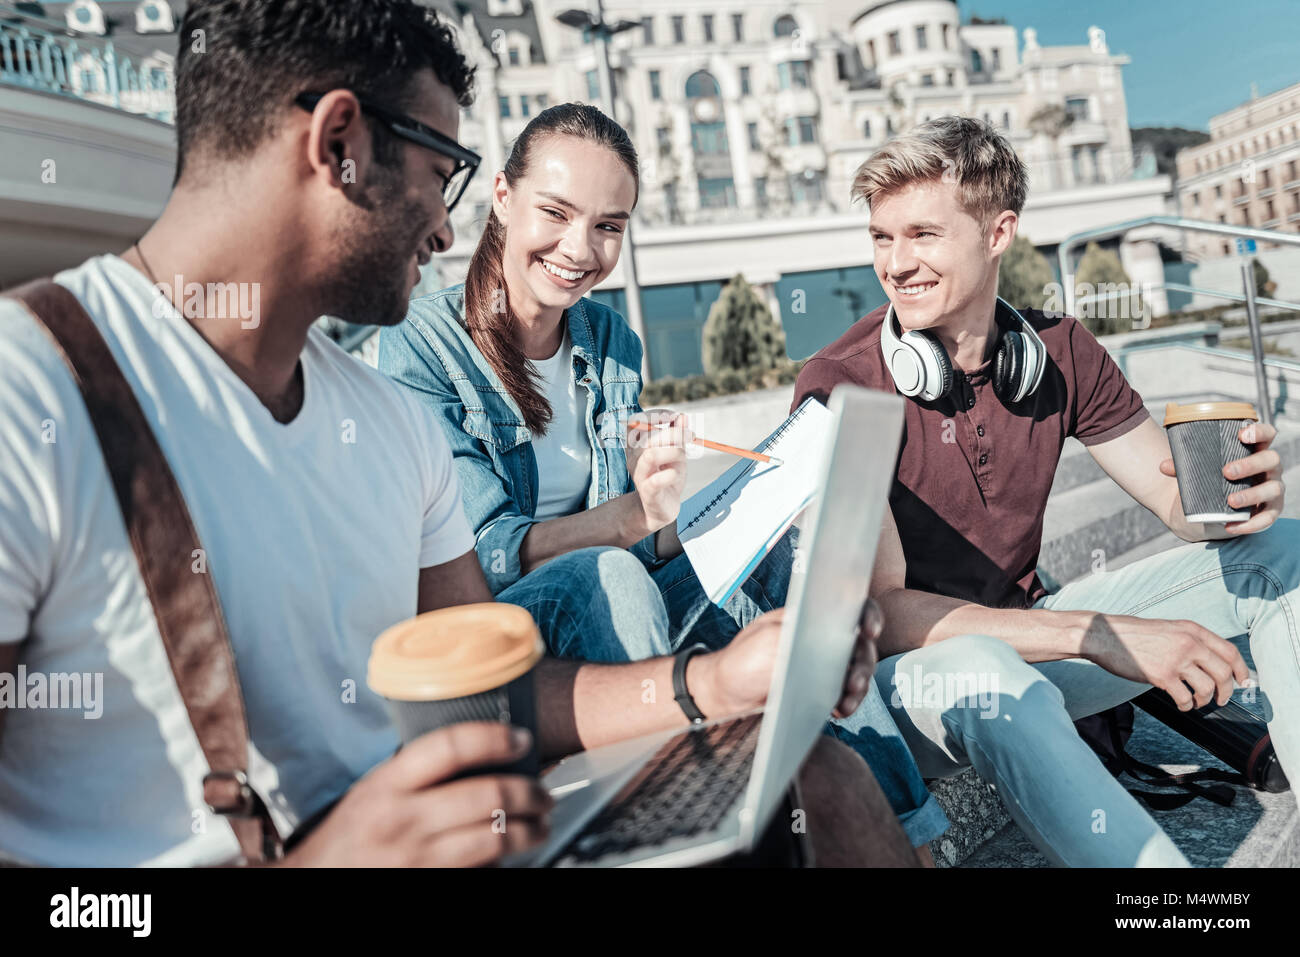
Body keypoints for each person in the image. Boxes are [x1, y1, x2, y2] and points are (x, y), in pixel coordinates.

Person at [0, 0, 913, 868]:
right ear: (341, 145)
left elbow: (501, 687)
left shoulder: (390, 424)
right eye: (443, 173)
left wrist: (712, 683)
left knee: (820, 780)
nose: (446, 226)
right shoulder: (28, 388)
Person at [377, 102, 950, 856]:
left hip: (619, 592)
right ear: (504, 202)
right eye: (556, 212)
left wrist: (718, 514)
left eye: (609, 226)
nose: (580, 249)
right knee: (604, 574)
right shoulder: (421, 343)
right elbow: (482, 556)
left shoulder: (611, 339)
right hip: (507, 628)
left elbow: (650, 539)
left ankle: (907, 833)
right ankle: (696, 831)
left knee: (772, 559)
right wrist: (629, 519)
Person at [793, 116, 1300, 867]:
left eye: (922, 235)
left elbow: (1175, 503)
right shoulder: (841, 384)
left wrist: (1238, 496)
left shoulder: (1060, 351)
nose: (895, 264)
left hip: (1030, 639)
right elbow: (885, 612)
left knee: (1282, 549)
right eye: (881, 238)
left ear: (998, 233)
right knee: (989, 666)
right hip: (910, 683)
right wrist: (1101, 634)